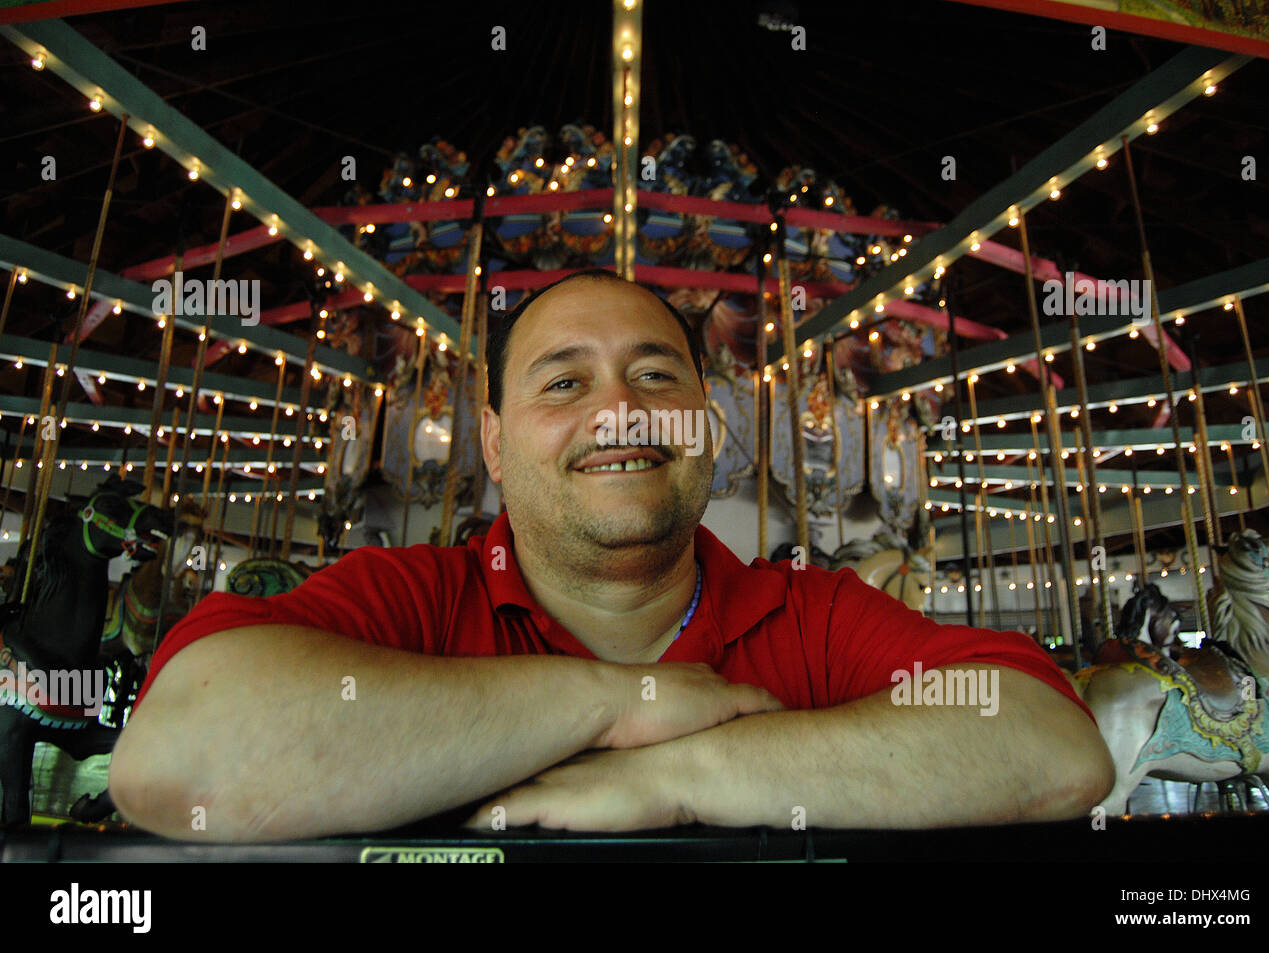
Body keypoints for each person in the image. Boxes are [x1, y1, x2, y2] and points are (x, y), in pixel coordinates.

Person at [108, 269, 1114, 842]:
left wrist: (688, 769)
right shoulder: (403, 599)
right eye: (561, 384)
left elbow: (1048, 744)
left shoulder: (806, 613)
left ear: (709, 425)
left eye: (652, 375)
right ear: (494, 442)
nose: (621, 410)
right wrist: (618, 701)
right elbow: (177, 756)